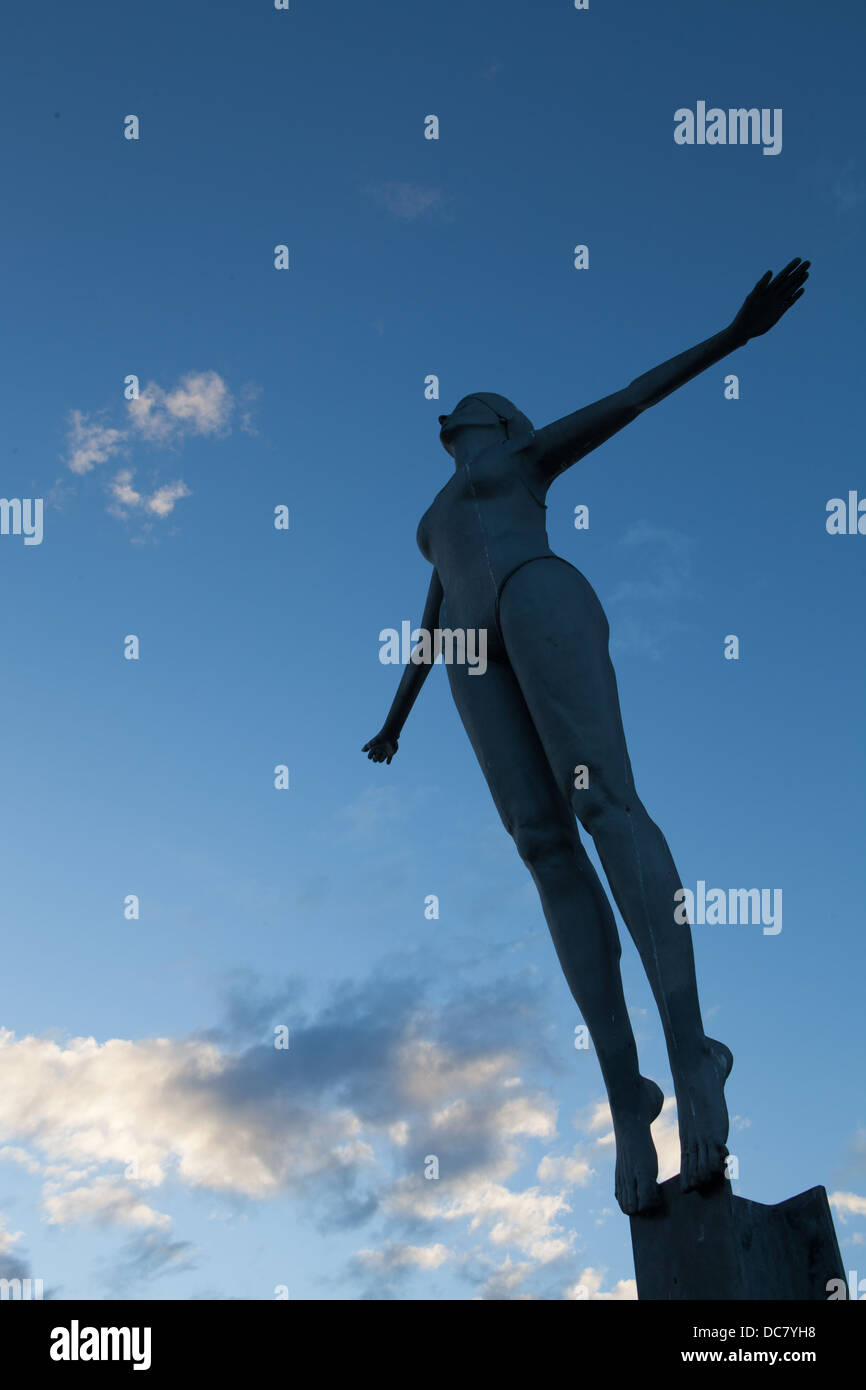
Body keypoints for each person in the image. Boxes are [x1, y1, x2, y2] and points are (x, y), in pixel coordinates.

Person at [363, 259, 809, 1214]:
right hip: (465, 652)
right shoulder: (435, 516)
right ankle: (625, 1091)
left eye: (469, 406)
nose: (452, 414)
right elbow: (433, 610)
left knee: (601, 804)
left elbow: (630, 399)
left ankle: (693, 1052)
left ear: (500, 422)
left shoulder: (518, 462)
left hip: (538, 595)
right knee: (543, 850)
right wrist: (395, 718)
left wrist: (735, 337)